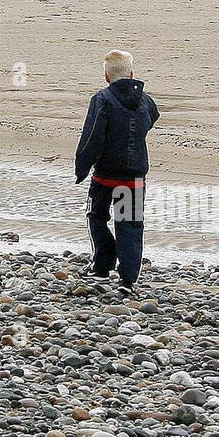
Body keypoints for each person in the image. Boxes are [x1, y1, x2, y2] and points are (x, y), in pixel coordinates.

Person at [74, 50, 160, 293]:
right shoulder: (146, 101)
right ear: (132, 74)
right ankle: (128, 278)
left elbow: (92, 138)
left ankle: (103, 263)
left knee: (96, 216)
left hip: (105, 176)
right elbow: (153, 117)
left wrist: (81, 167)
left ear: (106, 76)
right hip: (133, 177)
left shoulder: (102, 100)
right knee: (130, 224)